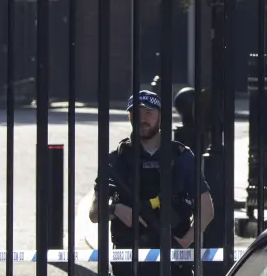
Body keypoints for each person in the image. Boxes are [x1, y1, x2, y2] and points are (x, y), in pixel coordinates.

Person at [89, 89, 216, 255]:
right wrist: (115, 209)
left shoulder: (181, 156)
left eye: (149, 113)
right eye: (136, 113)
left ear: (160, 116)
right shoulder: (116, 159)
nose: (142, 119)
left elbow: (206, 209)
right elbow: (94, 213)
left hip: (173, 260)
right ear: (129, 117)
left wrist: (184, 242)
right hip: (128, 259)